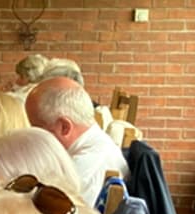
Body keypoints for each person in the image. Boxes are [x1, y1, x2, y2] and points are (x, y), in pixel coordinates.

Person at [26, 76, 128, 206]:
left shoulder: (85, 166)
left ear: (64, 127)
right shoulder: (94, 142)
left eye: (37, 128)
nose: (36, 138)